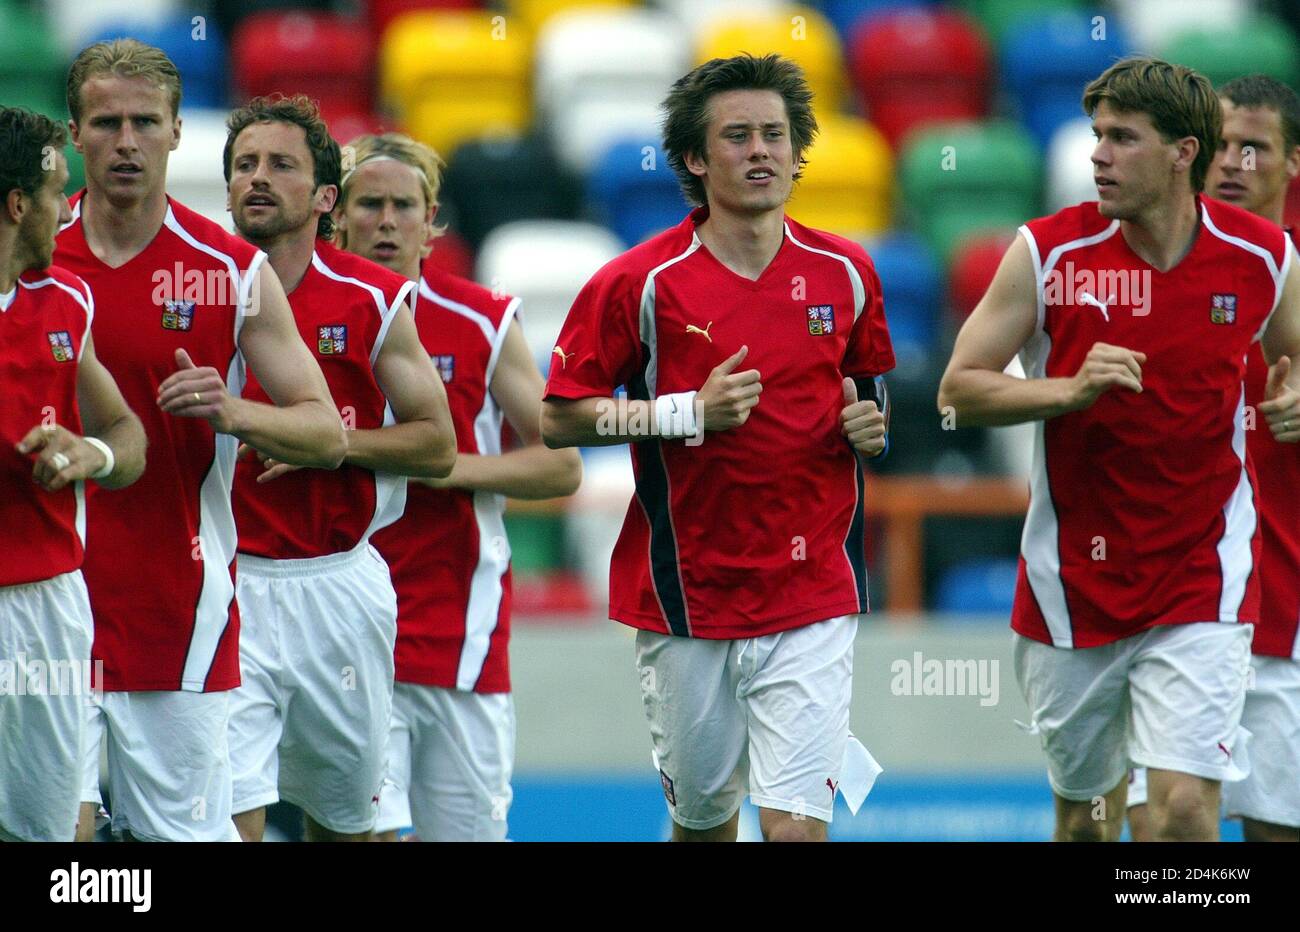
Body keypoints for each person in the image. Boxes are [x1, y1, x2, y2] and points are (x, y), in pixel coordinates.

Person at [938, 57, 1300, 842]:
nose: (1097, 154)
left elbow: (1292, 354)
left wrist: (1294, 390)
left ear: (1183, 153)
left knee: (1179, 808)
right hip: (1073, 585)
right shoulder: (1046, 254)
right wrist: (1064, 391)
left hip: (1204, 575)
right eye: (1097, 135)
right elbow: (958, 389)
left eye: (1122, 138)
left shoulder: (1265, 257)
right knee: (1085, 821)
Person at [539, 53, 894, 842]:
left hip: (813, 590)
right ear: (696, 159)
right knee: (704, 825)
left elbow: (868, 395)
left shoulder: (848, 270)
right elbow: (560, 416)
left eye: (776, 133)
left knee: (796, 830)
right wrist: (681, 414)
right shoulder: (641, 282)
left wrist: (873, 427)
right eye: (738, 136)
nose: (762, 150)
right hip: (686, 596)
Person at [56, 40, 347, 842]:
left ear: (178, 131)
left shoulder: (227, 270)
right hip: (42, 608)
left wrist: (236, 411)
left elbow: (324, 433)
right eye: (106, 122)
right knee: (52, 844)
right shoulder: (33, 261)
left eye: (144, 122)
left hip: (175, 614)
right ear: (73, 134)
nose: (126, 142)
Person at [334, 132, 581, 841]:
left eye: (403, 206)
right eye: (369, 203)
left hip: (458, 632)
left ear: (432, 217)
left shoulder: (480, 320)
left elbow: (560, 462)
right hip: (347, 631)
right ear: (338, 214)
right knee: (364, 832)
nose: (386, 221)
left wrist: (443, 464)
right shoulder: (299, 315)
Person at [223, 100, 457, 842]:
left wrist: (323, 441)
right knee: (225, 816)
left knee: (346, 823)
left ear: (326, 197)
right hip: (222, 583)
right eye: (245, 166)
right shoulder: (192, 285)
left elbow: (437, 444)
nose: (258, 179)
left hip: (337, 585)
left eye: (281, 165)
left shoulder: (374, 298)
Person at [1128, 74, 1300, 843]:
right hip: (1164, 608)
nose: (1233, 163)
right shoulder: (1134, 260)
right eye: (1221, 145)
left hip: (1280, 619)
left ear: (1293, 163)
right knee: (1168, 823)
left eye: (1255, 149)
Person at [0, 106, 145, 842]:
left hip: (46, 608)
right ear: (19, 203)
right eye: (57, 196)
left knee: (54, 832)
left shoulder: (67, 303)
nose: (66, 216)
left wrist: (98, 455)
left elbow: (127, 433)